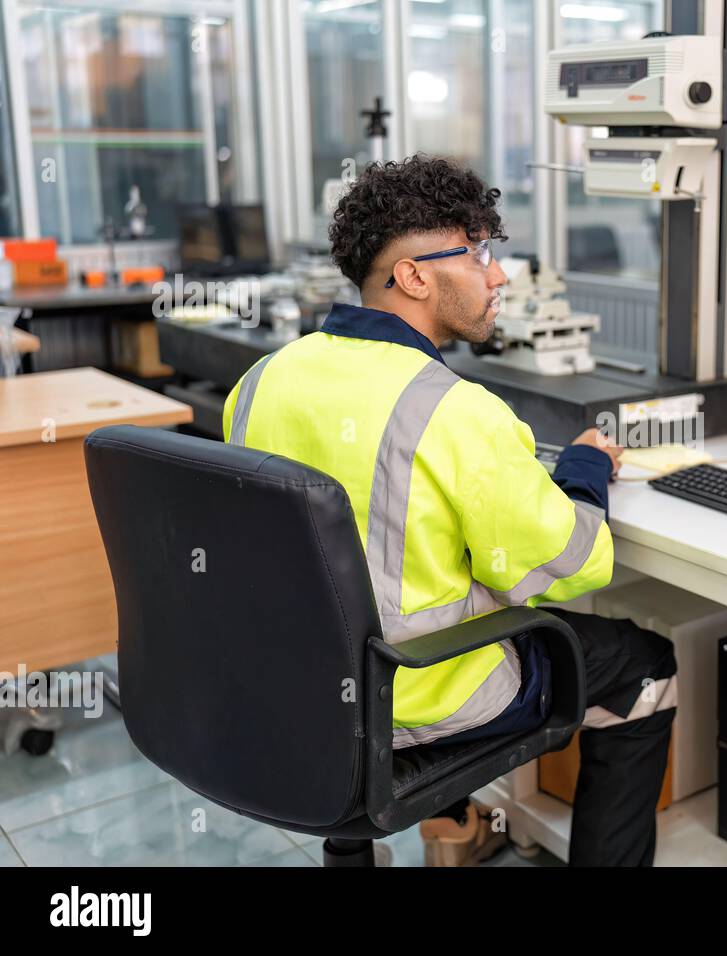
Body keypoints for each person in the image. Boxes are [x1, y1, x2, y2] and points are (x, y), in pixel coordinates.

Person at [222, 156, 676, 866]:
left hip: (301, 689)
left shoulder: (261, 380)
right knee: (646, 664)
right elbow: (571, 565)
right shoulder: (455, 411)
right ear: (414, 276)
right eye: (480, 253)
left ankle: (411, 831)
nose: (497, 276)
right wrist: (585, 467)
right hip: (424, 697)